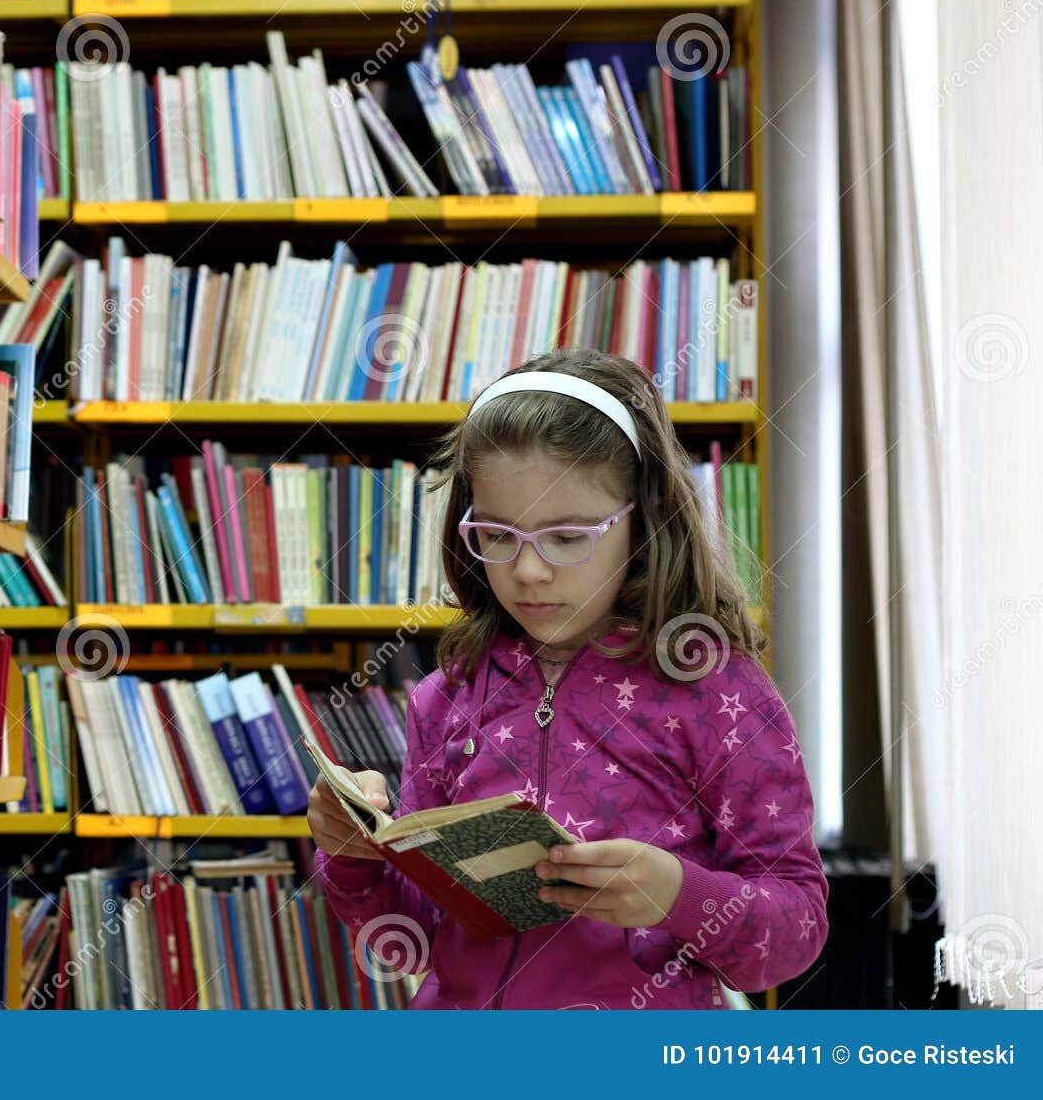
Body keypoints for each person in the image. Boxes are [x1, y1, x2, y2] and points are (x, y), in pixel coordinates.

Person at [309, 349, 829, 1009]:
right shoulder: (447, 695)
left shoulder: (719, 694)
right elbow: (409, 941)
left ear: (642, 522)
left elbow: (796, 930)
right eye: (497, 534)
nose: (528, 571)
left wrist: (676, 893)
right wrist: (355, 851)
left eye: (566, 537)